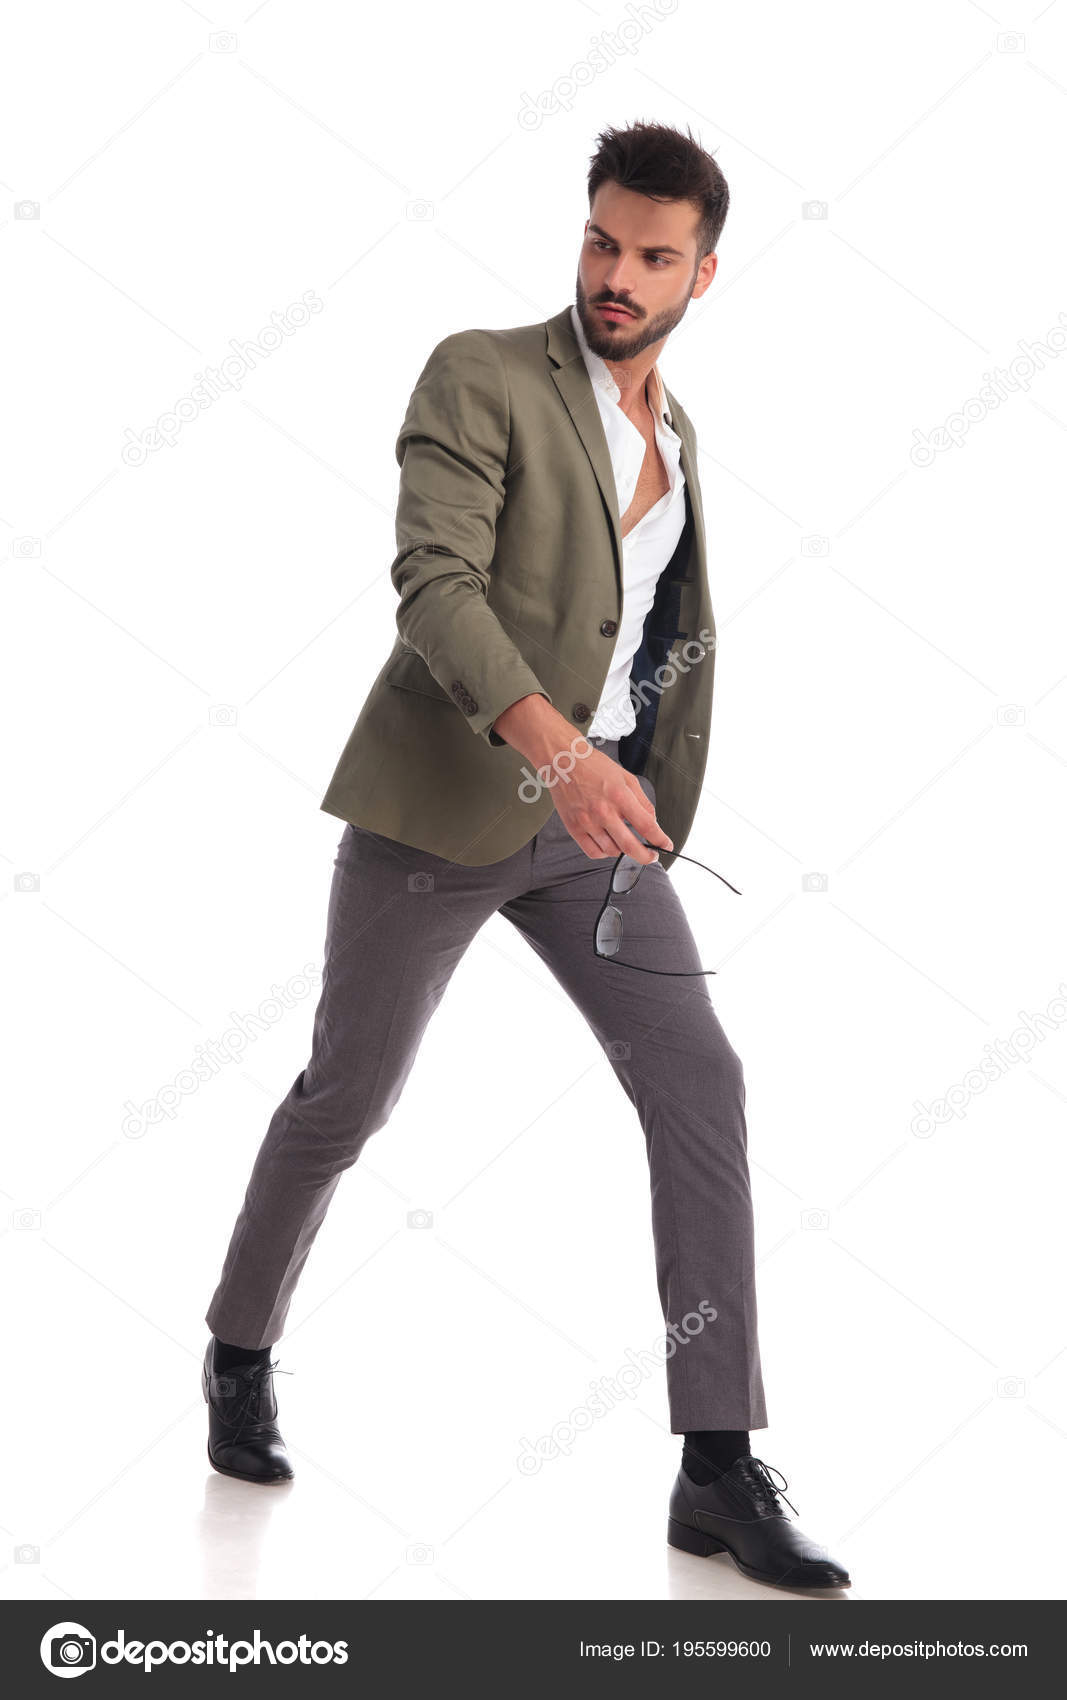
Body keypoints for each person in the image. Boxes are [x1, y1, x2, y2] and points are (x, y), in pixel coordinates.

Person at [202, 119, 850, 1592]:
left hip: (599, 834)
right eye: (602, 241)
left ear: (706, 270)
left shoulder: (677, 435)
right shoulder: (481, 372)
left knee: (703, 1087)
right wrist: (555, 753)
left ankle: (717, 1462)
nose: (618, 274)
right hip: (444, 813)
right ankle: (239, 1347)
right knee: (345, 1100)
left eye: (653, 254)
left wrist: (624, 774)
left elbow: (654, 625)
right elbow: (434, 582)